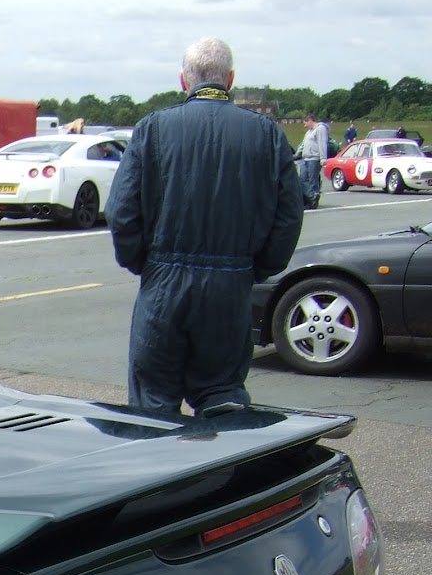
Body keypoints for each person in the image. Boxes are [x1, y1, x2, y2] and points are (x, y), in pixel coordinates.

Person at [108, 37, 304, 417]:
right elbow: (288, 218)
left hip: (164, 282)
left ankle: (161, 473)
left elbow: (122, 213)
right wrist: (255, 268)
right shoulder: (266, 134)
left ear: (184, 80)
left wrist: (143, 264)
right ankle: (226, 473)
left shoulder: (153, 129)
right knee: (224, 396)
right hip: (230, 285)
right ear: (230, 79)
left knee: (153, 405)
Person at [299, 113, 328, 208]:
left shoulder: (320, 129)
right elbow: (303, 144)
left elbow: (322, 143)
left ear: (310, 120)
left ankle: (313, 202)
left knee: (313, 180)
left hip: (314, 158)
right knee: (303, 179)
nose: (304, 125)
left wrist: (323, 158)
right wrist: (297, 154)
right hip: (305, 158)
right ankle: (312, 197)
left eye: (305, 122)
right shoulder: (308, 132)